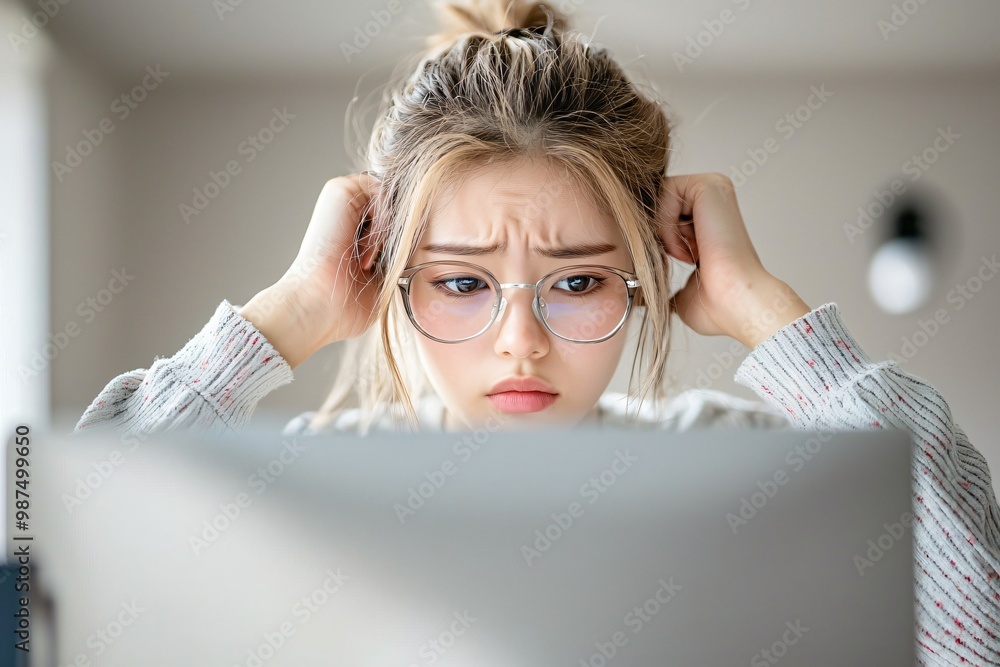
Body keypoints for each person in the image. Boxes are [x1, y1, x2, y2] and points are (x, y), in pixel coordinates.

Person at [73, 0, 998, 662]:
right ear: (389, 274)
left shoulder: (746, 472)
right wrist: (294, 309)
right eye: (461, 281)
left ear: (646, 279)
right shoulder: (301, 493)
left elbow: (976, 636)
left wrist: (768, 311)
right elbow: (57, 590)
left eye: (580, 280)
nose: (522, 341)